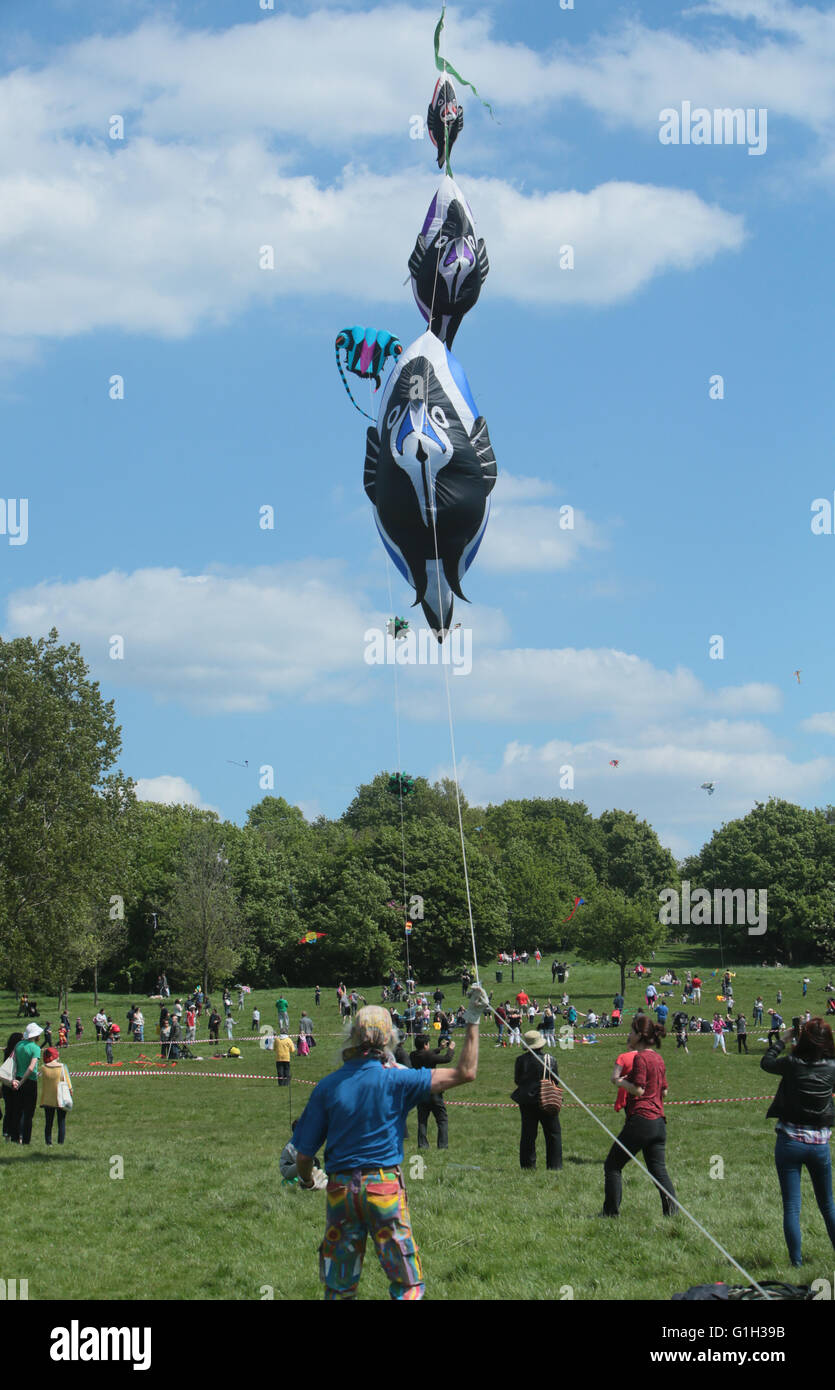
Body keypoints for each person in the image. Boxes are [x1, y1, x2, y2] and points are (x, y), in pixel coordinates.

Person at [293, 988, 487, 1300]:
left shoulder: (327, 1086)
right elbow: (466, 1072)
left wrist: (307, 1179)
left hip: (340, 1191)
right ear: (388, 1039)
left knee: (339, 1285)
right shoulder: (399, 1080)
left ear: (353, 1037)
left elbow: (303, 1156)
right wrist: (473, 1020)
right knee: (407, 1283)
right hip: (384, 1188)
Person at [761, 1018, 835, 1266]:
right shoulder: (832, 1067)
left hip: (790, 1141)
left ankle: (796, 1262)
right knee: (827, 1205)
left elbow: (766, 1063)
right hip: (819, 1143)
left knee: (792, 1206)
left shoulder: (793, 1064)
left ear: (803, 1039)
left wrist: (783, 1039)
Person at [600, 1015, 677, 1218]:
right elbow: (665, 1092)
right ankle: (672, 1214)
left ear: (640, 1036)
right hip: (659, 1122)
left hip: (642, 1120)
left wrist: (617, 1081)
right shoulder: (658, 1058)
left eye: (631, 1032)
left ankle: (610, 1213)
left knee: (612, 1165)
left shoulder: (640, 1057)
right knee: (658, 1170)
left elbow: (639, 1090)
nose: (628, 1035)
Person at [511, 1030, 562, 1171]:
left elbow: (517, 1080)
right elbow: (556, 1080)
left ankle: (527, 1166)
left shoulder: (520, 1060)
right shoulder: (550, 1059)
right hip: (547, 1098)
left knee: (528, 1134)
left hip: (527, 1101)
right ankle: (555, 1166)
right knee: (553, 1133)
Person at [411, 1033, 454, 1149]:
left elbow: (429, 1054)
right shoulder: (429, 1056)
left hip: (420, 1091)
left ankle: (422, 1145)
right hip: (433, 1091)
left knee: (422, 1120)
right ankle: (443, 1146)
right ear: (425, 1045)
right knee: (442, 1119)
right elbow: (447, 1059)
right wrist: (450, 1049)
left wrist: (440, 1048)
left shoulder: (413, 1055)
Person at [12, 1022, 44, 1144]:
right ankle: (26, 1140)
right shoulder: (35, 1048)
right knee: (28, 1113)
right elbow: (31, 1068)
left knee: (17, 1110)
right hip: (29, 1082)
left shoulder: (19, 1044)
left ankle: (15, 1137)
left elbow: (13, 1063)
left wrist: (15, 1080)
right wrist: (21, 1083)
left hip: (17, 1078)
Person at [40, 1046, 72, 1146]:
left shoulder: (43, 1068)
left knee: (48, 1123)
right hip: (61, 1099)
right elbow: (68, 1084)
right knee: (61, 1122)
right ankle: (60, 1142)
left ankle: (48, 1143)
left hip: (47, 1099)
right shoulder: (62, 1067)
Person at [2, 1033, 24, 1142]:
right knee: (18, 1111)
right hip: (15, 1083)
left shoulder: (6, 1052)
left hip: (6, 1085)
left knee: (8, 1110)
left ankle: (7, 1134)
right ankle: (18, 1135)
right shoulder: (18, 1052)